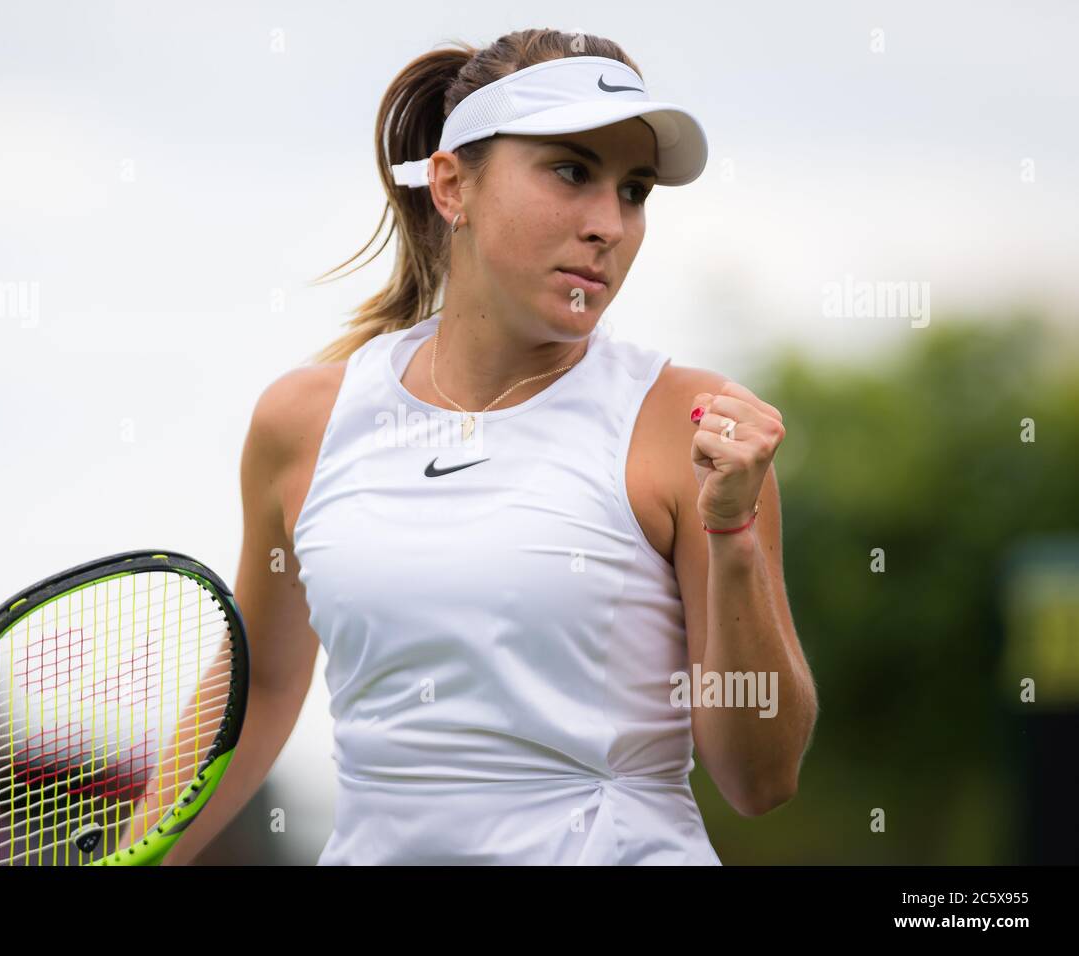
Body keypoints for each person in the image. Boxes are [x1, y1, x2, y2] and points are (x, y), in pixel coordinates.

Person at [167, 28, 818, 866]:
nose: (609, 224)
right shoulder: (303, 422)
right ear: (451, 185)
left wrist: (732, 542)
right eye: (573, 171)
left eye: (635, 190)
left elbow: (759, 781)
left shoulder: (693, 424)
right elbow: (260, 693)